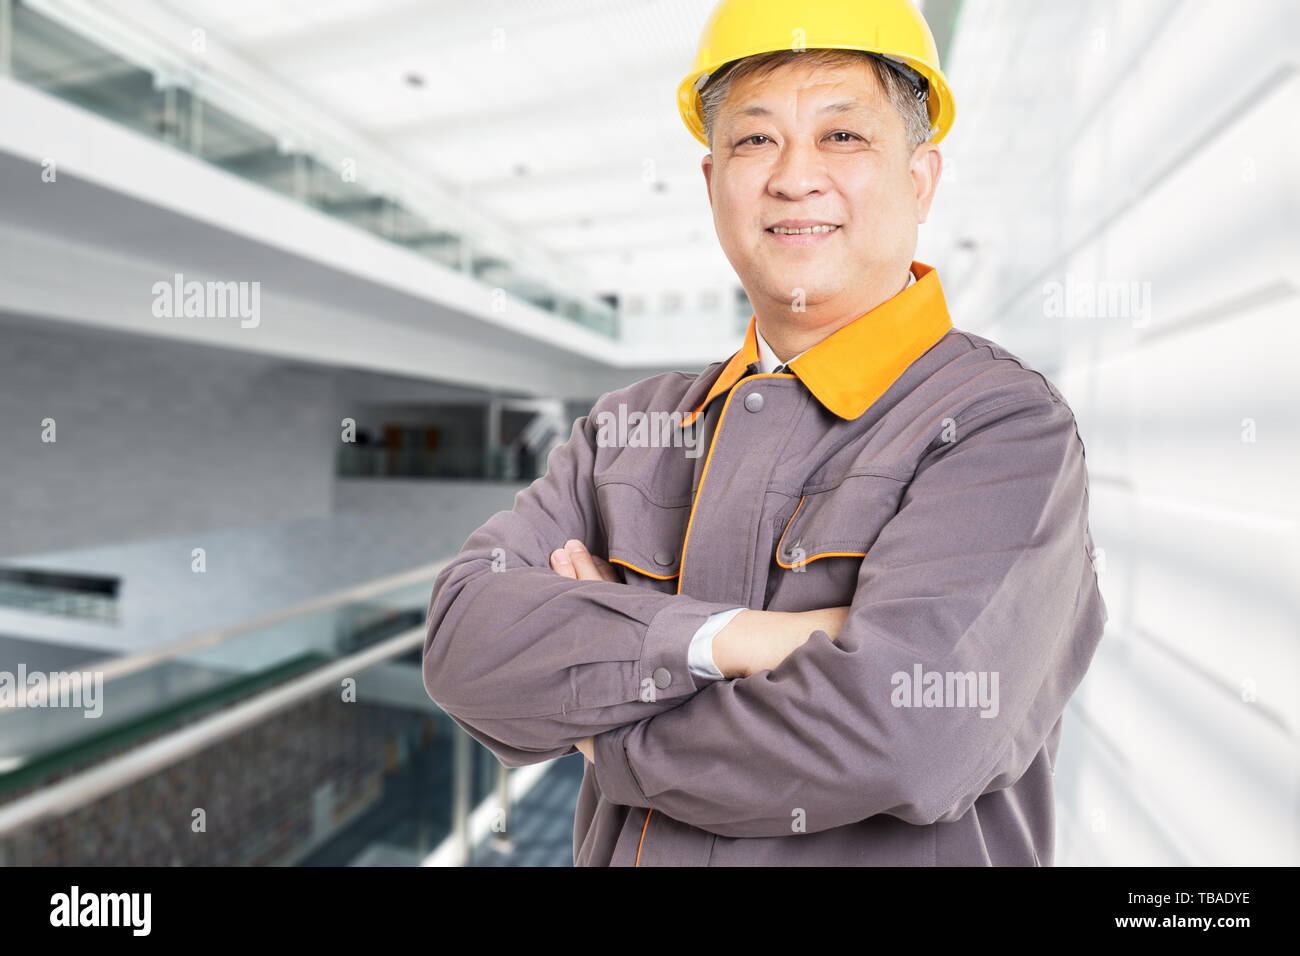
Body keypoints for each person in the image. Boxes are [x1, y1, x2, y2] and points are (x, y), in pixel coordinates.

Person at [422, 0, 1107, 866]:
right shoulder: (627, 430)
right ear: (714, 185)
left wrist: (605, 725)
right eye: (754, 141)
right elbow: (461, 645)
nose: (794, 177)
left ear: (922, 179)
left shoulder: (1001, 428)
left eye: (843, 137)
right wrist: (743, 638)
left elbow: (912, 732)